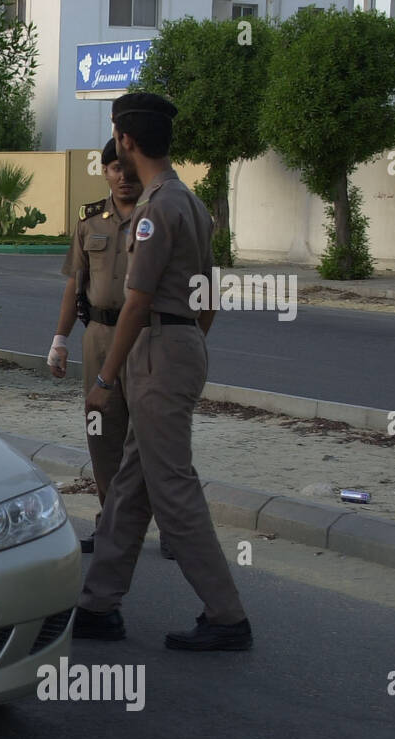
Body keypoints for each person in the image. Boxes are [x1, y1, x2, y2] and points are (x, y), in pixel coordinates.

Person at [72, 92, 251, 652]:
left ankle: (226, 616)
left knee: (170, 486)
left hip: (156, 348)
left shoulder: (154, 210)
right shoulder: (190, 202)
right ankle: (99, 604)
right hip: (177, 344)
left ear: (125, 140)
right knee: (132, 482)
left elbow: (136, 301)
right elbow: (207, 293)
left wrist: (106, 381)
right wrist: (186, 348)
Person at [50, 138, 171, 558]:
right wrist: (60, 340)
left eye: (128, 168)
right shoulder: (90, 222)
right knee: (102, 434)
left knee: (154, 436)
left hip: (146, 337)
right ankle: (112, 524)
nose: (124, 176)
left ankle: (172, 528)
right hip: (100, 336)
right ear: (104, 171)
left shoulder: (157, 214)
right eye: (114, 168)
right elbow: (74, 284)